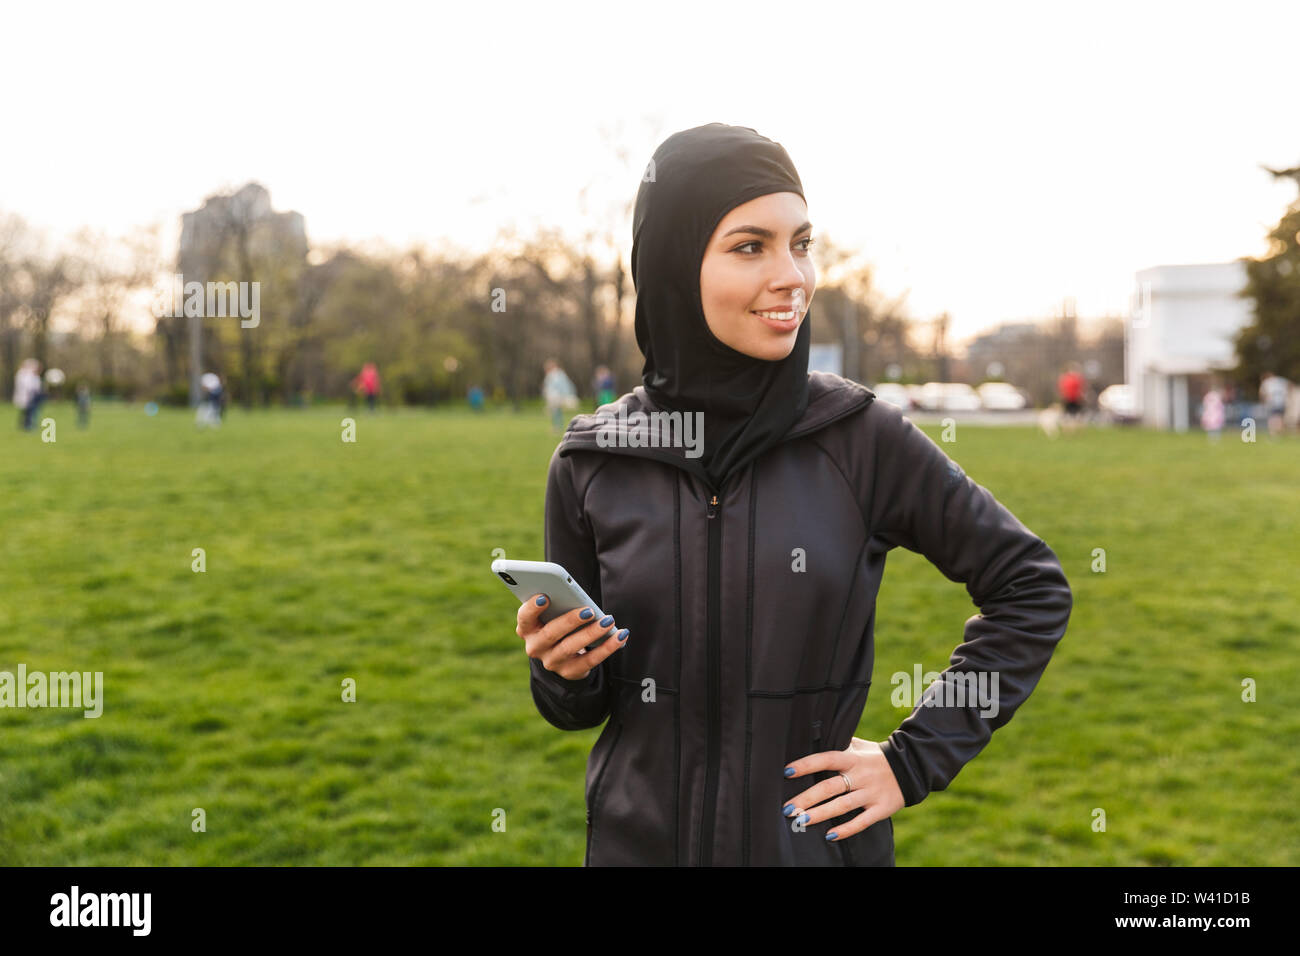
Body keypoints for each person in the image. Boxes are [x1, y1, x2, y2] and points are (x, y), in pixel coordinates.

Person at [511, 123, 1073, 867]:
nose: (794, 276)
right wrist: (562, 670)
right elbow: (578, 711)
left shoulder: (861, 437)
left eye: (800, 244)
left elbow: (1030, 588)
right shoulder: (591, 460)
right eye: (751, 246)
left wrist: (915, 760)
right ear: (676, 267)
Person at [541, 359, 578, 434]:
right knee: (556, 412)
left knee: (556, 412)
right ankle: (557, 427)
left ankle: (557, 428)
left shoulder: (557, 374)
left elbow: (561, 387)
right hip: (554, 397)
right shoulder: (553, 374)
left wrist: (565, 395)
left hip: (557, 397)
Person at [12, 359, 44, 431]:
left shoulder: (33, 375)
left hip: (32, 396)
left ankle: (28, 425)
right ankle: (27, 426)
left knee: (30, 412)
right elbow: (28, 386)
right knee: (28, 412)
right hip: (28, 396)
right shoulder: (23, 374)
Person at [1259, 371, 1291, 438]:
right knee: (1280, 418)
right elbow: (1290, 385)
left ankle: (1274, 434)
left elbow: (1262, 393)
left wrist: (1264, 401)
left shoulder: (1266, 382)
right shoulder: (1281, 380)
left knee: (1273, 418)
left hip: (1272, 402)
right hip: (1283, 402)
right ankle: (1280, 433)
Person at [1056, 362, 1086, 432]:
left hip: (1075, 399)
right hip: (1069, 399)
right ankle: (1069, 429)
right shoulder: (1069, 378)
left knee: (1075, 415)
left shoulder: (1073, 378)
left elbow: (1081, 389)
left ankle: (1073, 429)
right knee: (1069, 415)